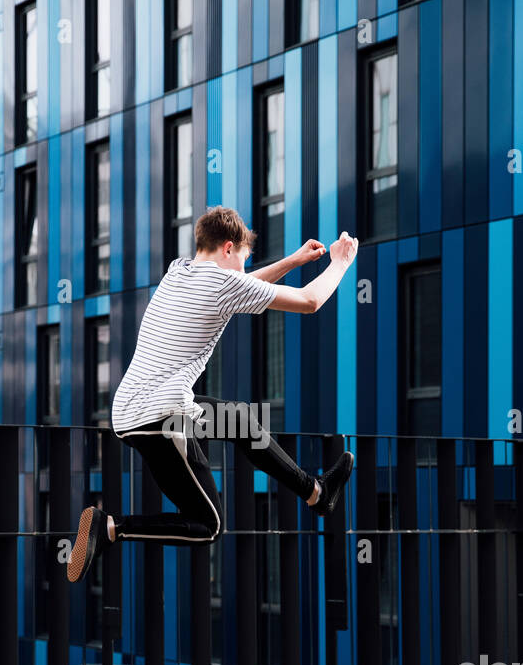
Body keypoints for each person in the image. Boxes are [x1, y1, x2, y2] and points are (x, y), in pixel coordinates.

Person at [66, 205, 359, 583]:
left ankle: (317, 493)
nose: (241, 270)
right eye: (241, 259)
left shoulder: (178, 271)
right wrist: (340, 263)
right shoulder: (224, 285)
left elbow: (245, 286)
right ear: (227, 248)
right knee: (207, 526)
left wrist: (292, 260)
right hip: (162, 416)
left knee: (240, 422)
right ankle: (111, 528)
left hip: (130, 411)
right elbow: (309, 302)